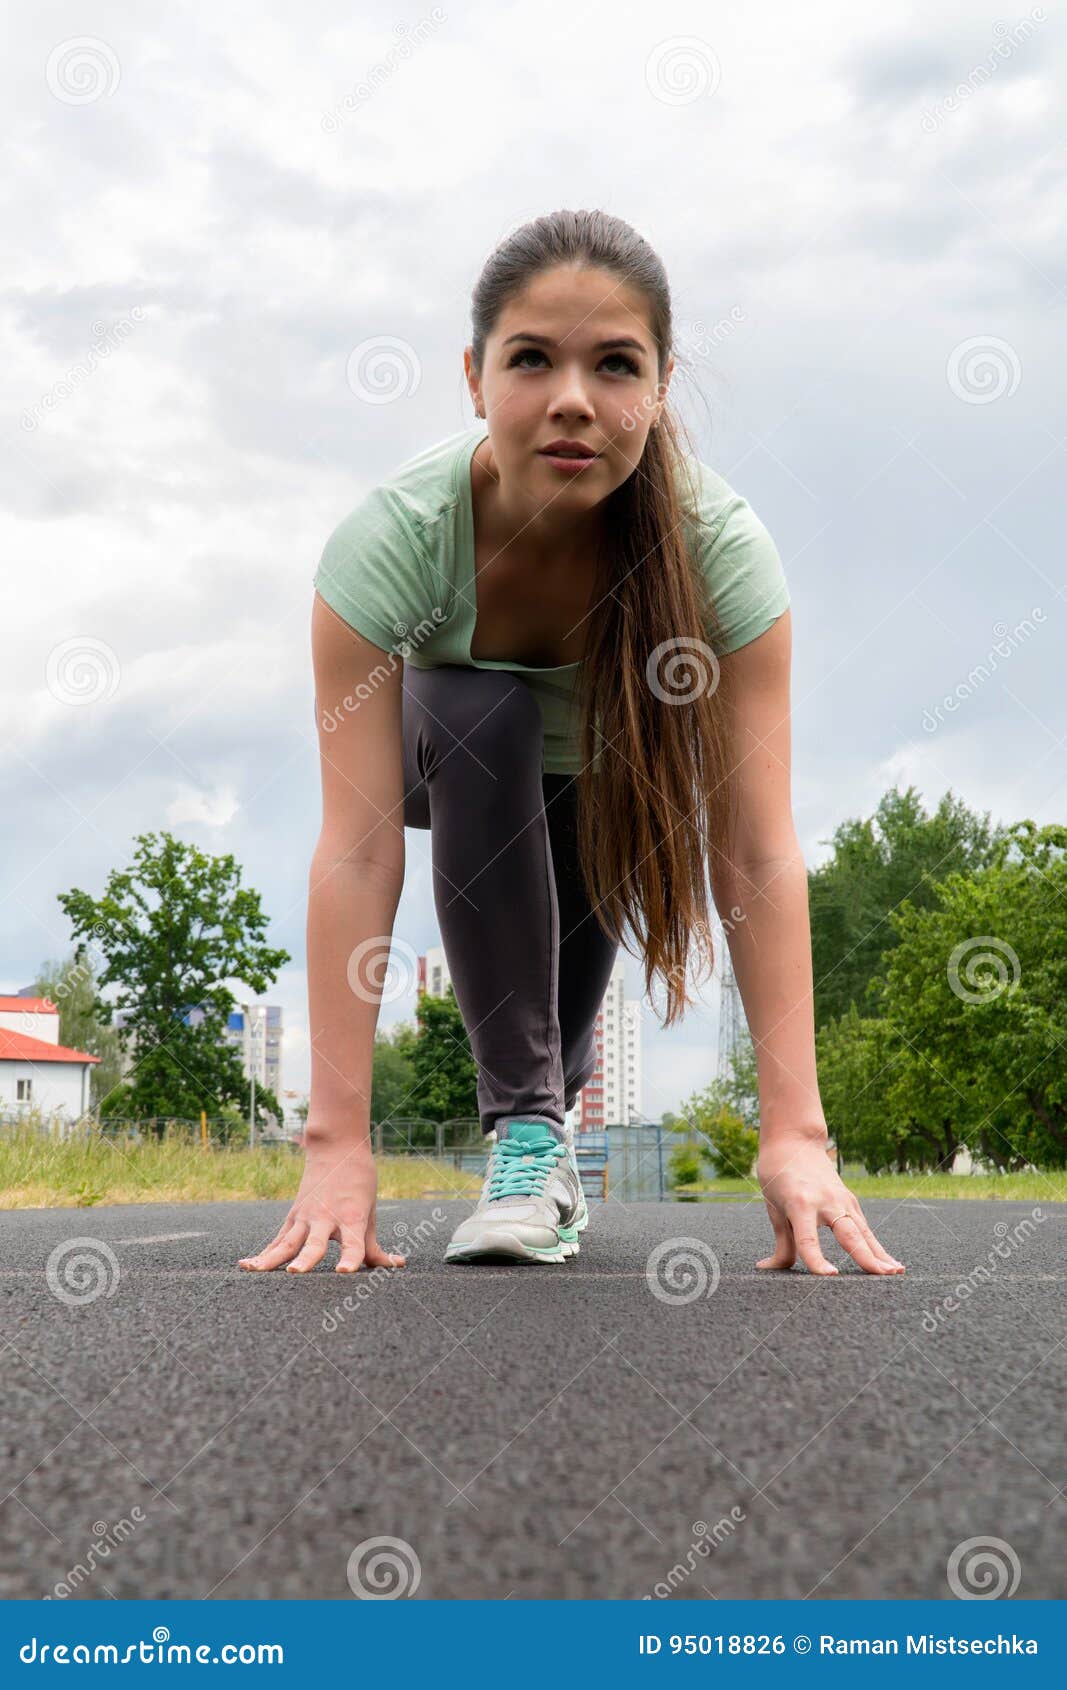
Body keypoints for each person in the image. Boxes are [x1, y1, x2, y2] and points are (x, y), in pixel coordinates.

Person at [239, 208, 905, 1280]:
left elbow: (753, 851)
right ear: (473, 377)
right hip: (444, 755)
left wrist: (795, 1134)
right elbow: (358, 851)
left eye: (615, 365)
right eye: (531, 359)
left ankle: (541, 1123)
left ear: (661, 386)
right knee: (483, 713)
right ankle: (527, 1132)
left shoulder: (720, 553)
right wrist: (336, 1146)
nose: (572, 399)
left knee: (552, 1031)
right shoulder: (393, 541)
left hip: (610, 771)